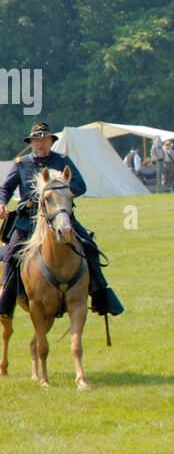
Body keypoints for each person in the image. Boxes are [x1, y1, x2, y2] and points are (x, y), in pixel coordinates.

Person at [0, 122, 124, 318]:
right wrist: (2, 203)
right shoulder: (21, 164)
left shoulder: (61, 161)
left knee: (89, 245)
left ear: (51, 141)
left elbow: (79, 185)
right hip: (29, 220)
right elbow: (5, 188)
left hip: (60, 217)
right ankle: (5, 302)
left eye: (44, 140)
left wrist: (60, 193)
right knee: (12, 251)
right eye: (36, 141)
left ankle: (101, 296)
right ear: (31, 142)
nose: (40, 144)